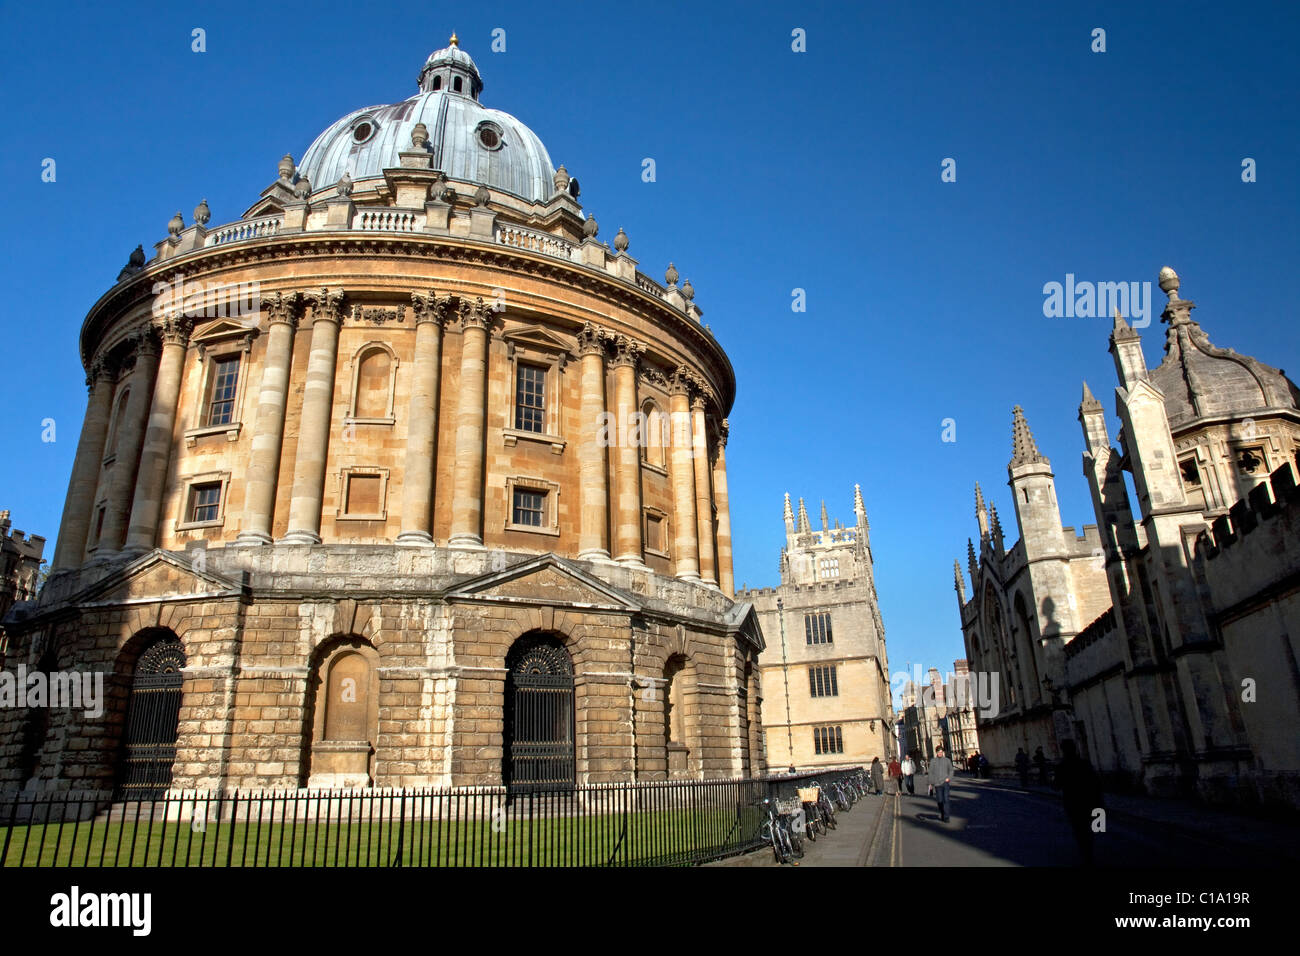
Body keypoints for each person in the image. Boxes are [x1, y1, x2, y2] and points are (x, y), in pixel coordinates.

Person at [1056, 739, 1104, 866]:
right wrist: (1100, 802)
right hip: (1088, 801)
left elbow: (1056, 786)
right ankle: (1089, 850)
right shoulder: (1085, 763)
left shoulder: (1062, 766)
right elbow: (1096, 782)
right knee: (1089, 827)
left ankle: (1086, 853)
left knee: (1079, 829)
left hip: (1072, 803)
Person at [929, 745, 954, 822]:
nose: (940, 753)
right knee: (940, 801)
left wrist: (948, 778)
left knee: (946, 800)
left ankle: (947, 817)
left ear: (943, 752)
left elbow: (951, 770)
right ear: (936, 752)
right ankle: (943, 812)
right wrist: (930, 784)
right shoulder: (933, 761)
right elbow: (931, 773)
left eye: (941, 752)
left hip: (945, 783)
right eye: (939, 752)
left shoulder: (947, 760)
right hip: (937, 784)